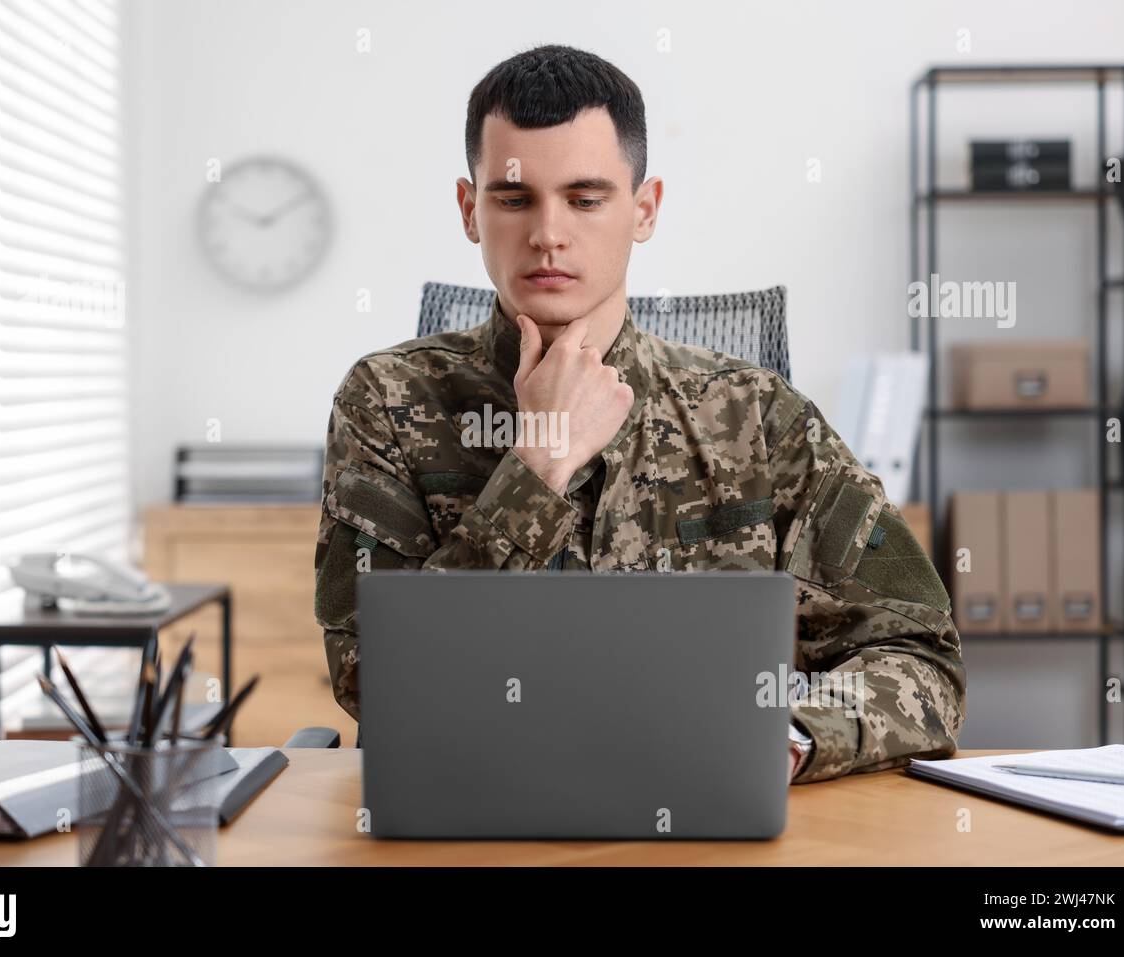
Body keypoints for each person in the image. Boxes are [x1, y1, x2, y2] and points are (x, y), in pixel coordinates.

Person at [314, 43, 965, 783]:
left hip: (702, 808)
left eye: (586, 199)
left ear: (644, 208)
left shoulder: (757, 416)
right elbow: (382, 686)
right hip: (473, 813)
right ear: (471, 210)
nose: (548, 233)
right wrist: (538, 465)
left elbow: (921, 654)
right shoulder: (386, 401)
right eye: (514, 197)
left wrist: (792, 736)